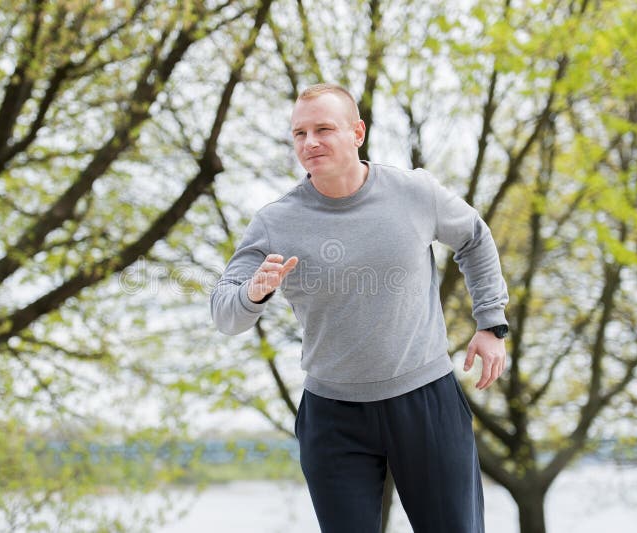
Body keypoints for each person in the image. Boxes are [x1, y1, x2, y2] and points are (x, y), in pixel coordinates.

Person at [210, 83, 508, 533]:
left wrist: (491, 322)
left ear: (357, 133)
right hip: (333, 416)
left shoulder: (415, 192)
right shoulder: (275, 223)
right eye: (299, 133)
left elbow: (474, 238)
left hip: (425, 399)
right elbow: (224, 314)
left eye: (323, 129)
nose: (309, 143)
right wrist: (253, 293)